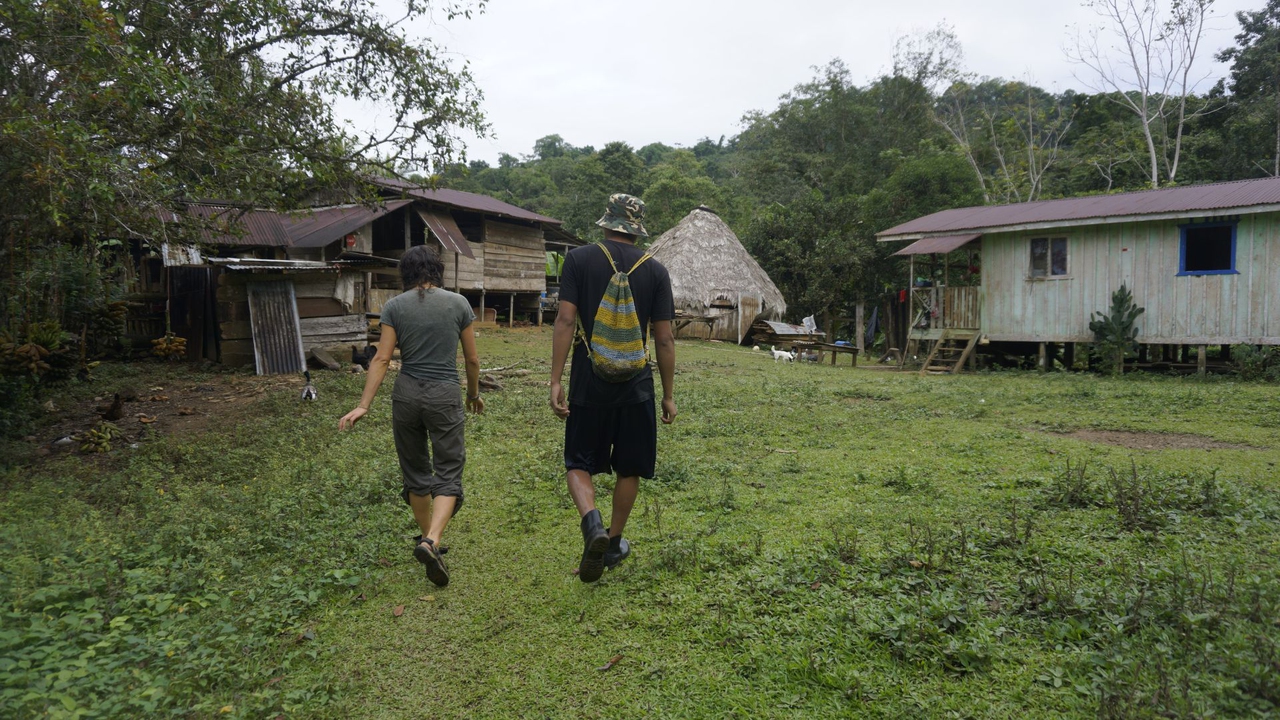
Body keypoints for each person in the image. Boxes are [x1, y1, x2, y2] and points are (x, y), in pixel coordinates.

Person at [339, 245, 483, 588]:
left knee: (416, 471)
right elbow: (472, 360)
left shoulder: (394, 306)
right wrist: (473, 394)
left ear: (406, 272)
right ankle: (431, 540)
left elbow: (381, 358)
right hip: (444, 395)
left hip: (406, 396)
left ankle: (427, 539)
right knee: (448, 469)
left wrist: (363, 405)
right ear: (437, 270)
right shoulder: (458, 304)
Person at [550, 193, 676, 583]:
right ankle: (614, 542)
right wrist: (668, 395)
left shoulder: (578, 260)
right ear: (637, 229)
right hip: (636, 384)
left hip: (589, 379)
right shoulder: (656, 271)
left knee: (578, 462)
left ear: (606, 223)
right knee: (630, 466)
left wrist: (554, 380)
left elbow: (565, 320)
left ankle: (593, 526)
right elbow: (664, 338)